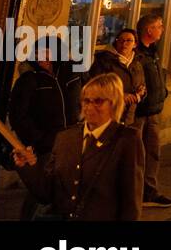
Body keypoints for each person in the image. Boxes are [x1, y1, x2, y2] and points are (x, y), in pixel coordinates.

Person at [12, 72, 144, 221]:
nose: (89, 107)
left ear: (113, 103)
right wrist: (28, 167)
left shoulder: (127, 140)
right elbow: (47, 193)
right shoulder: (65, 138)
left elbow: (131, 202)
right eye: (86, 101)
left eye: (98, 101)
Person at [8, 36, 83, 220]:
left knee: (64, 186)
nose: (41, 56)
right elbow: (19, 116)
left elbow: (84, 96)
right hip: (46, 144)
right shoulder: (29, 79)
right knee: (40, 190)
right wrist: (38, 139)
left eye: (47, 51)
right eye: (38, 51)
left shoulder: (71, 72)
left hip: (71, 141)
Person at [133, 13, 171, 207]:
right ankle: (134, 191)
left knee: (153, 152)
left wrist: (163, 92)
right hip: (139, 113)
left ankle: (150, 190)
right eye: (159, 26)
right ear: (149, 30)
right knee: (136, 155)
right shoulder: (137, 54)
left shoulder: (153, 51)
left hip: (154, 111)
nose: (162, 29)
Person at [88, 28, 145, 126]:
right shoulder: (104, 61)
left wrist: (140, 94)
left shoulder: (137, 63)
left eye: (129, 40)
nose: (124, 43)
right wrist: (120, 96)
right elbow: (94, 87)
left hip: (129, 116)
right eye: (121, 40)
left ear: (135, 44)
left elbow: (142, 85)